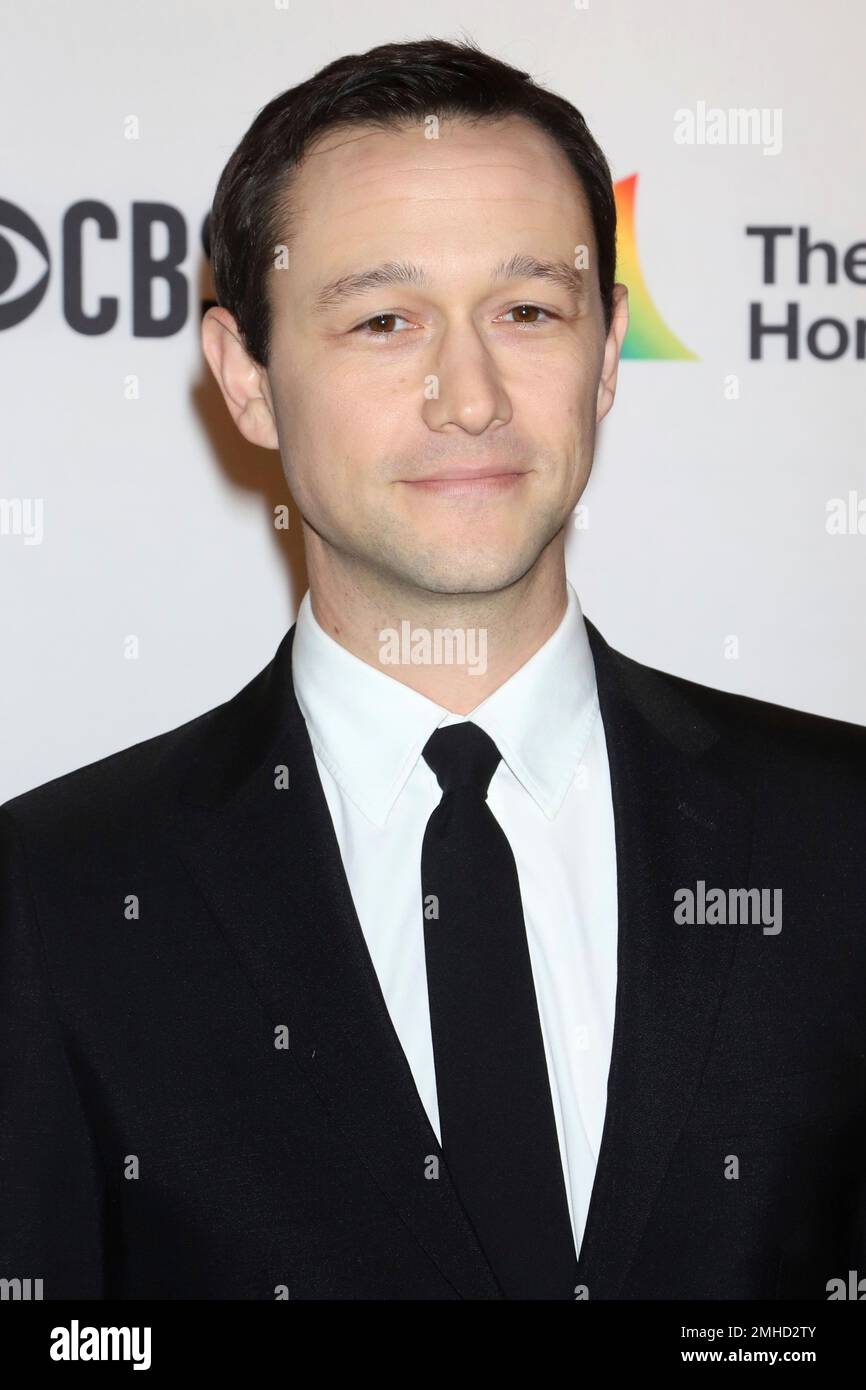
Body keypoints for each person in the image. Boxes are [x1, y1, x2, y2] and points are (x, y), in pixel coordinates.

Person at [2, 37, 865, 1302]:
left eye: (526, 311)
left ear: (608, 348)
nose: (468, 395)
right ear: (246, 379)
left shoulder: (838, 833)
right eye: (381, 319)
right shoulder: (50, 897)